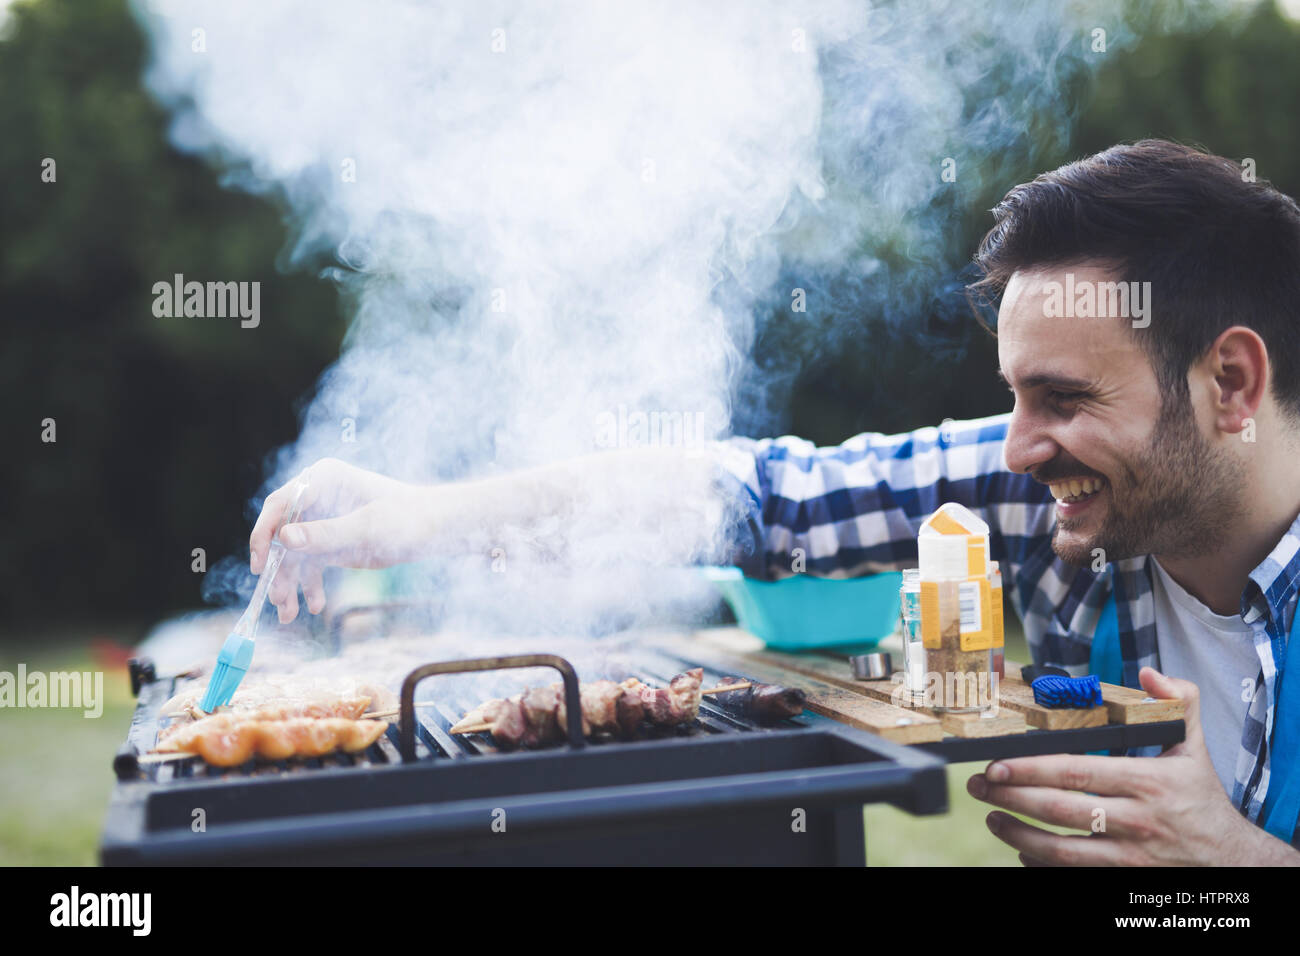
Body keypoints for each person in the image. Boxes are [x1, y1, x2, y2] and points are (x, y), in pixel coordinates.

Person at [250, 140, 1300, 865]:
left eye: (1063, 399)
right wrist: (433, 516)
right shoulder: (1049, 492)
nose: (1020, 447)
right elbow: (761, 496)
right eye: (1013, 396)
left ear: (1231, 385)